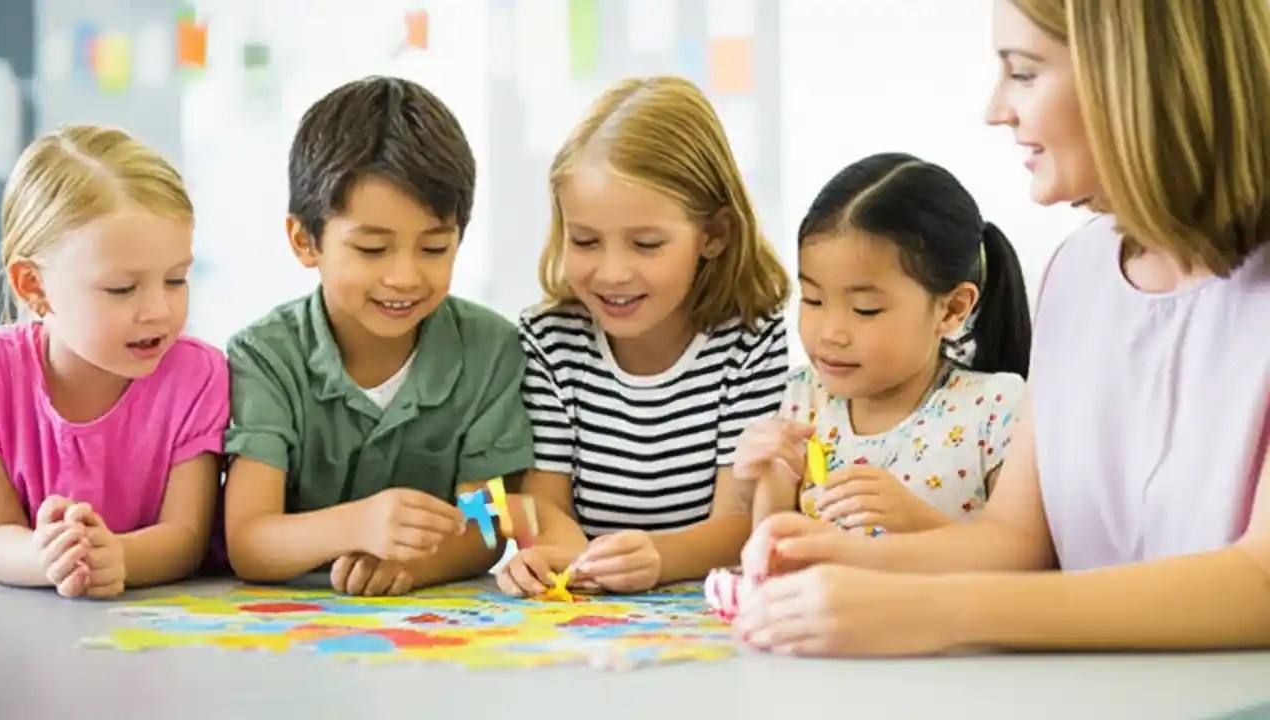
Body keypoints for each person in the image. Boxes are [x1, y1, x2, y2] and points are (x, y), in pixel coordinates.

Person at [734, 0, 1270, 656]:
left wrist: (928, 608)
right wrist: (830, 554)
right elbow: (1015, 540)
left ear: (1135, 79)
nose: (996, 109)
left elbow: (1259, 582)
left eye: (1023, 73)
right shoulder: (1078, 272)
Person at [223, 77, 537, 597]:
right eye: (372, 249)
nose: (405, 277)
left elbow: (485, 525)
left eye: (434, 248)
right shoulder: (266, 357)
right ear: (306, 241)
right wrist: (356, 526)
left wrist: (416, 565)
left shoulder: (490, 353)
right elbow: (251, 541)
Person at [496, 76, 790, 597]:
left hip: (697, 607)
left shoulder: (750, 341)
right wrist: (558, 556)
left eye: (647, 244)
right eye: (585, 240)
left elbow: (740, 522)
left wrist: (659, 558)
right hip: (586, 606)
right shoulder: (550, 341)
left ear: (714, 236)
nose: (611, 273)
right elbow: (543, 502)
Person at [736, 152, 1029, 544]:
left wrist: (916, 519)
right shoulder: (803, 400)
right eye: (812, 299)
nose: (830, 333)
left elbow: (1024, 567)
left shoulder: (994, 410)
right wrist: (765, 483)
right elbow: (773, 558)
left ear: (952, 309)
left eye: (865, 310)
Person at [0, 126, 229, 599]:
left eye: (177, 280)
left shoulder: (198, 377)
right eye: (122, 288)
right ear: (34, 286)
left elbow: (186, 536)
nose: (159, 310)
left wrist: (117, 558)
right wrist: (50, 556)